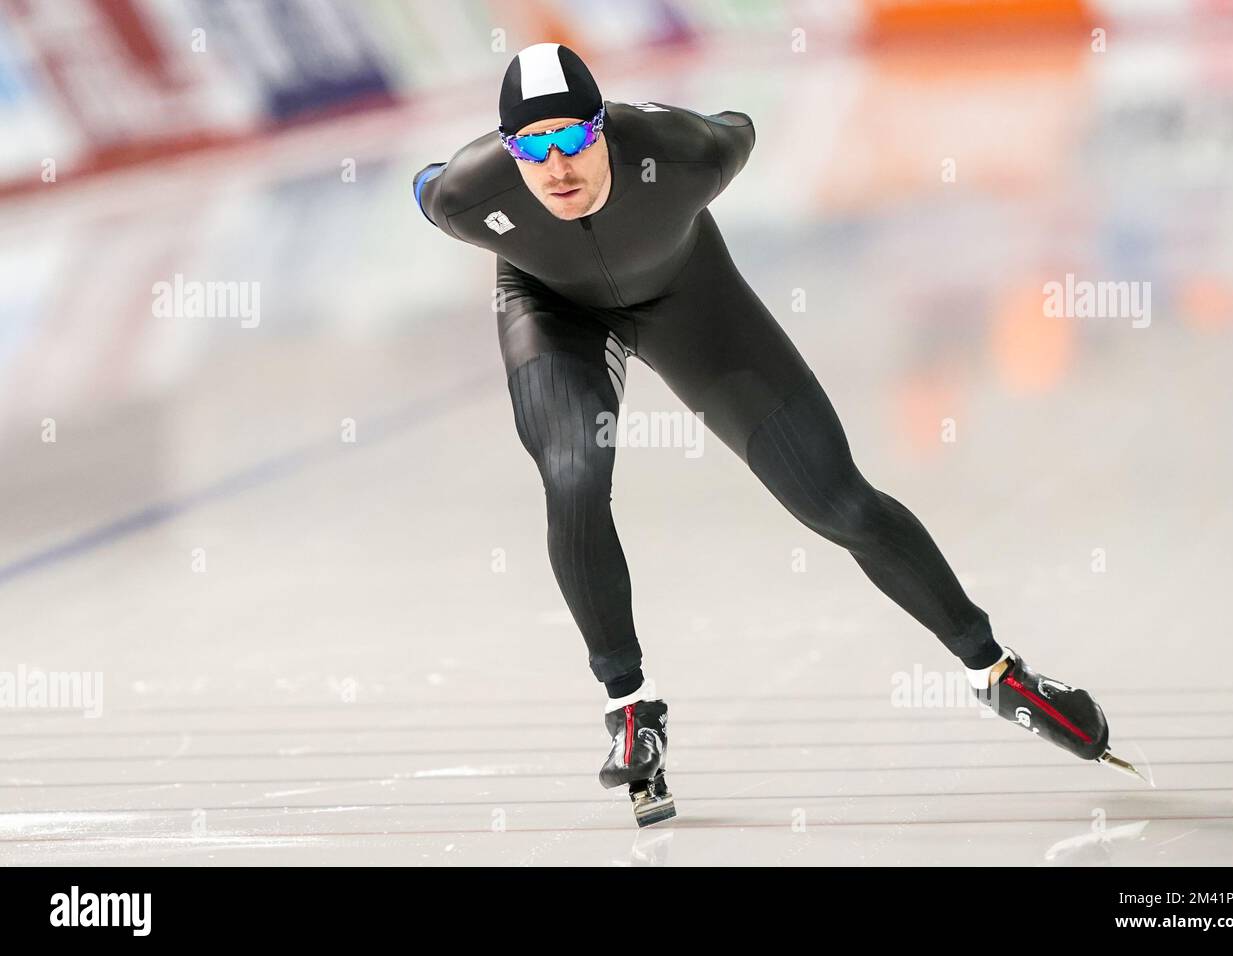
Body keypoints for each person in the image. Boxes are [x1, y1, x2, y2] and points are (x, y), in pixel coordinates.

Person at [414, 43, 1140, 825]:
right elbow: (420, 183)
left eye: (572, 140)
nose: (556, 166)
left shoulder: (685, 153)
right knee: (573, 472)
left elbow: (740, 124)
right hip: (550, 310)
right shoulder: (467, 192)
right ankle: (630, 707)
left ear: (605, 129)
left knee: (839, 505)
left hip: (689, 298)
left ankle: (996, 672)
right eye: (532, 146)